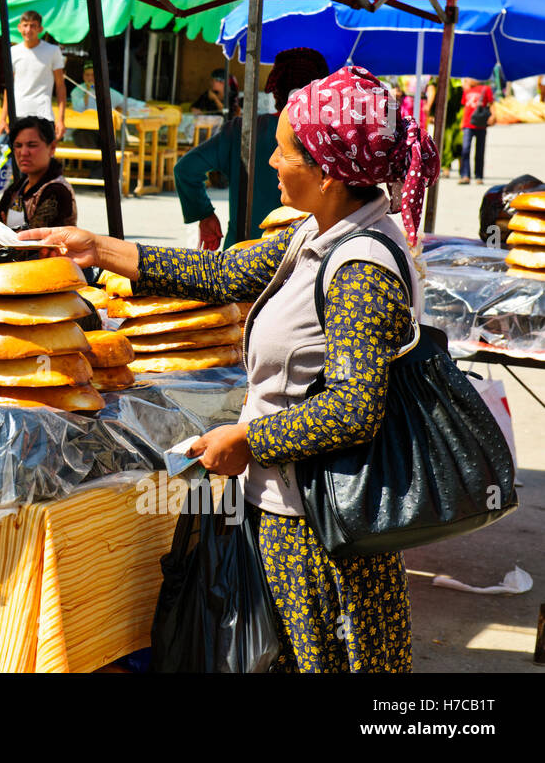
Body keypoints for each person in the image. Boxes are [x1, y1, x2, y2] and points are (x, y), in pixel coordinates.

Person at [23, 65, 438, 673]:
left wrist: (246, 439)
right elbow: (221, 274)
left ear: (327, 171)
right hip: (289, 512)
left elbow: (355, 408)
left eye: (285, 149)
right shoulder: (317, 236)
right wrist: (98, 248)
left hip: (322, 534)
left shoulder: (361, 267)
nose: (271, 161)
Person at [173, 47, 329, 249]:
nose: (274, 161)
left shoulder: (242, 130)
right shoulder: (328, 138)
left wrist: (204, 214)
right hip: (304, 256)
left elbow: (186, 168)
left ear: (276, 91)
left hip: (241, 254)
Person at [0, 117, 76, 230]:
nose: (24, 153)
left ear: (52, 148)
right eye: (18, 145)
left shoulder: (57, 192)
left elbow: (36, 240)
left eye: (32, 145)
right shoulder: (18, 187)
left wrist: (5, 232)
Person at [1, 10, 66, 141]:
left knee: (42, 158)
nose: (28, 30)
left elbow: (60, 86)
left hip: (43, 114)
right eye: (25, 25)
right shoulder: (13, 52)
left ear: (40, 29)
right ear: (19, 28)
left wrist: (61, 119)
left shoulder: (53, 51)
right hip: (18, 114)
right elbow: (9, 87)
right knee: (18, 158)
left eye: (33, 26)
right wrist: (3, 119)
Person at [458, 76, 496, 185]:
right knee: (465, 149)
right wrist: (461, 122)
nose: (468, 80)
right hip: (467, 124)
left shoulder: (485, 88)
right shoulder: (467, 90)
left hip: (480, 124)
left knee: (480, 151)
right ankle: (465, 175)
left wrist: (493, 116)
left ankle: (479, 176)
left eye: (470, 78)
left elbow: (491, 104)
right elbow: (464, 106)